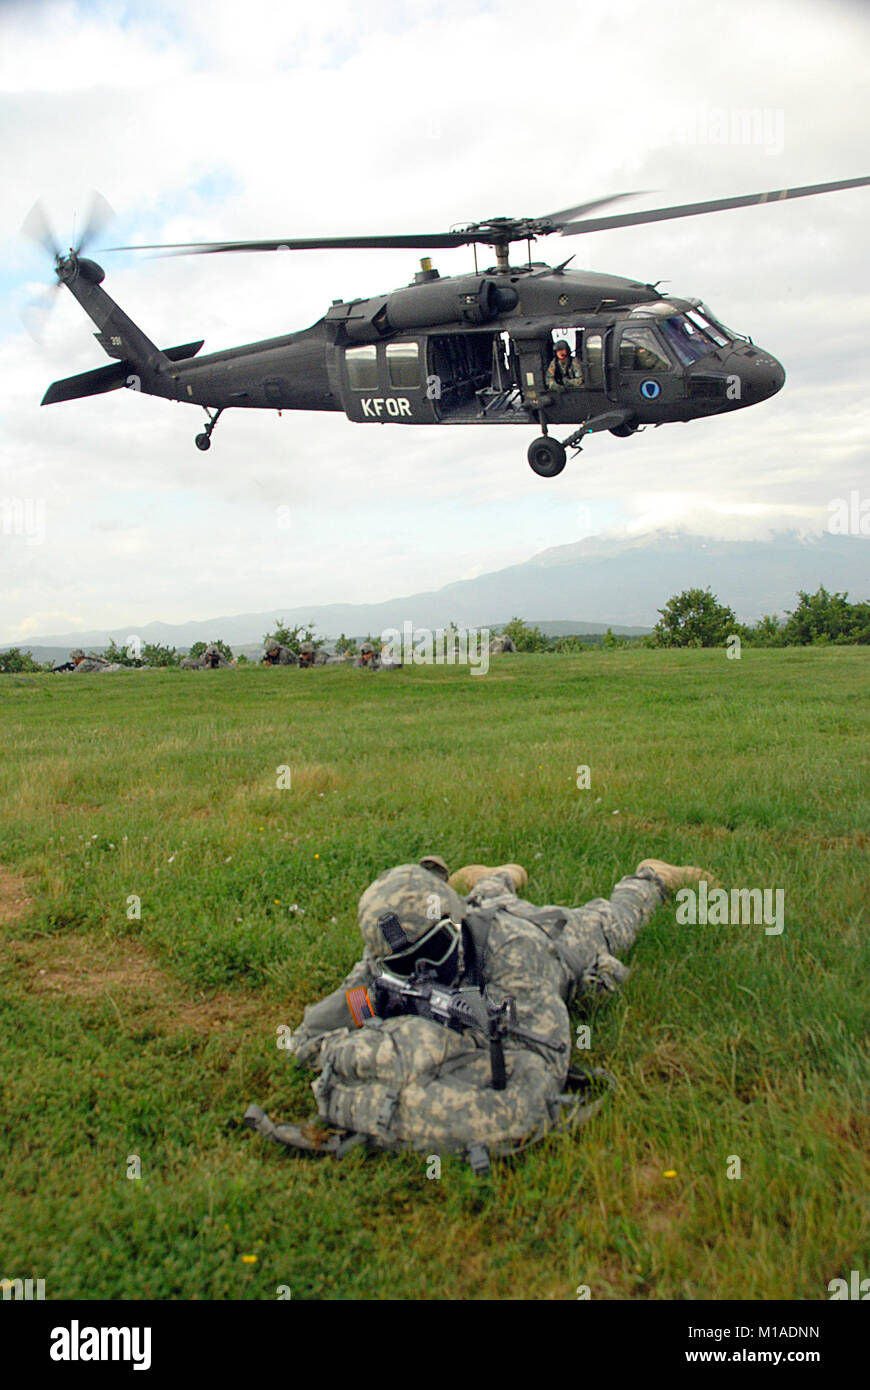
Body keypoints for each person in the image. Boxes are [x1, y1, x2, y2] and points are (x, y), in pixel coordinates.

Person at [244, 852, 715, 1168]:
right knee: (488, 895)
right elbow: (310, 1036)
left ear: (455, 926)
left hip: (548, 936)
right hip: (474, 907)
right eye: (406, 964)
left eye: (436, 952)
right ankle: (496, 877)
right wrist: (397, 1037)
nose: (424, 970)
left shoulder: (516, 954)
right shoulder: (383, 963)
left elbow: (545, 1062)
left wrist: (430, 1045)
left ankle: (651, 876)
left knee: (611, 923)